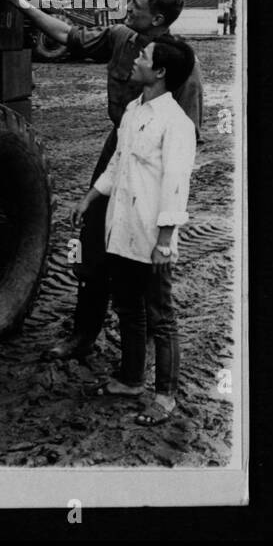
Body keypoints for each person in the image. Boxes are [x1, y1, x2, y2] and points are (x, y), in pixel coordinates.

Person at [0, 0, 204, 360]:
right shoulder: (122, 38)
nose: (127, 8)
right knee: (92, 238)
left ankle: (151, 336)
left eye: (136, 6)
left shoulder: (180, 65)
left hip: (155, 163)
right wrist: (21, 4)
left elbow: (184, 143)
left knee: (144, 252)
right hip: (120, 145)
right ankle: (83, 335)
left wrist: (162, 213)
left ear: (157, 19)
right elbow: (69, 35)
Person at [70, 36, 197, 424]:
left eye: (144, 55)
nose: (137, 57)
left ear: (159, 72)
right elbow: (116, 166)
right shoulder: (132, 110)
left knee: (161, 316)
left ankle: (166, 395)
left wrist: (163, 243)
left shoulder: (176, 123)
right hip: (121, 231)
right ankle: (130, 379)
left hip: (151, 237)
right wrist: (89, 198)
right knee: (128, 307)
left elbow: (176, 187)